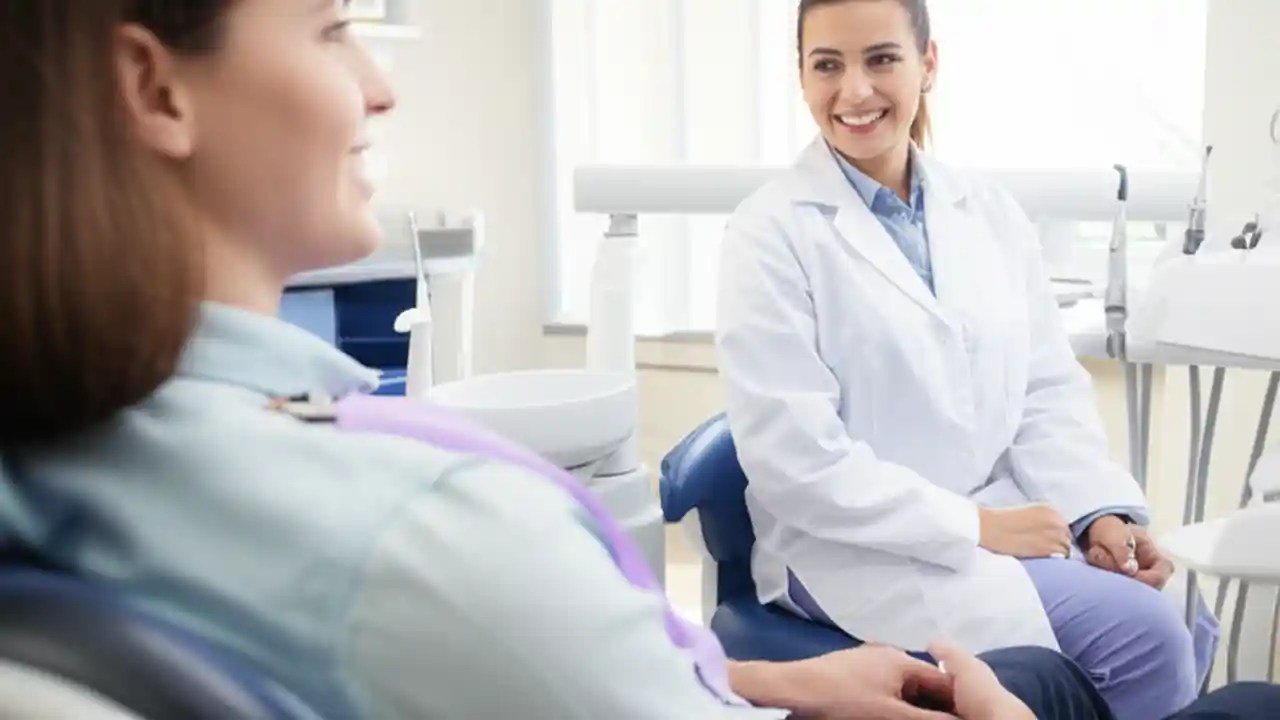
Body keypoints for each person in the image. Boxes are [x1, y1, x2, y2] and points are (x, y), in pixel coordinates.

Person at [0, 1, 1119, 718]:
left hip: (768, 667)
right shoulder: (438, 521)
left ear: (929, 65)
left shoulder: (67, 458)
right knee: (1062, 689)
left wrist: (779, 682)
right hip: (852, 578)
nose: (380, 88)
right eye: (332, 26)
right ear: (154, 88)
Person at [715, 1, 1220, 719]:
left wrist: (1096, 512)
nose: (854, 91)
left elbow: (1043, 389)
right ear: (801, 76)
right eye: (827, 64)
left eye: (881, 58)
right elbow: (795, 460)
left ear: (929, 63)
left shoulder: (986, 211)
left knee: (1174, 604)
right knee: (1146, 640)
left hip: (1000, 514)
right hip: (850, 544)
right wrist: (975, 527)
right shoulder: (769, 233)